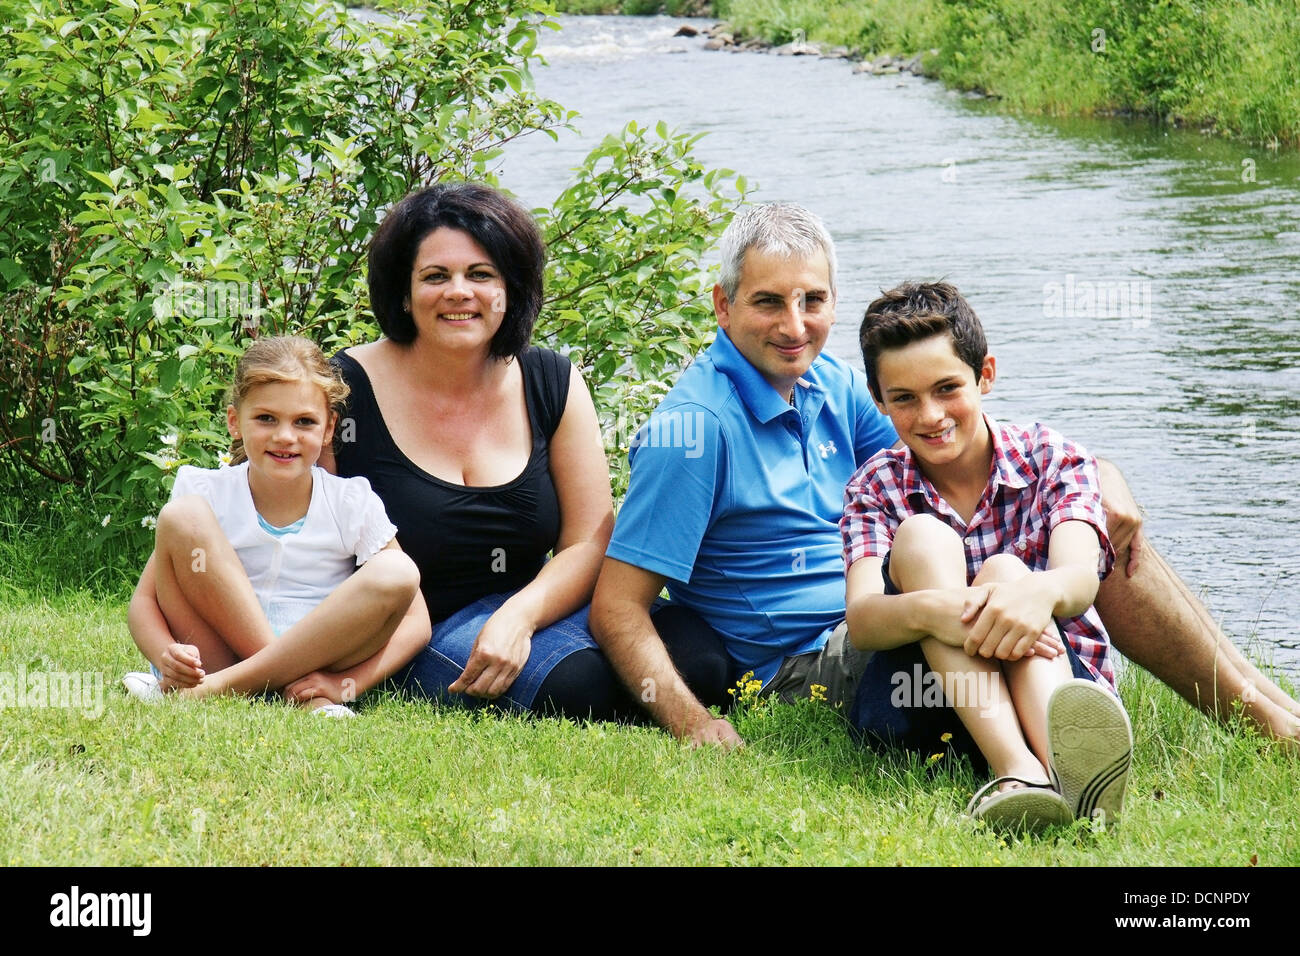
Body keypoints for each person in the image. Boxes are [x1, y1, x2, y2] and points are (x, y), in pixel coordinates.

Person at [590, 200, 1300, 750]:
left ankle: (1268, 707)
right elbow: (618, 606)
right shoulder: (694, 432)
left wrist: (1099, 475)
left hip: (895, 600)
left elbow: (955, 444)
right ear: (722, 305)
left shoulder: (830, 384)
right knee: (1067, 547)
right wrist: (693, 724)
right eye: (768, 302)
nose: (794, 324)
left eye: (812, 300)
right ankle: (1254, 722)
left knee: (1088, 527)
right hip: (816, 661)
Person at [323, 182, 646, 718]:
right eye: (435, 276)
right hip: (418, 629)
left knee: (699, 654)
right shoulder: (342, 389)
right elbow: (289, 530)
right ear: (403, 293)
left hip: (535, 609)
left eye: (480, 275)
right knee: (579, 684)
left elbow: (588, 541)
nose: (458, 292)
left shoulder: (552, 380)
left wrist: (519, 616)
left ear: (510, 291)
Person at [841, 281, 1132, 831]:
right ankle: (1022, 771)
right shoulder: (875, 487)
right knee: (924, 537)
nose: (930, 415)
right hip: (923, 701)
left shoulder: (1053, 457)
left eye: (947, 387)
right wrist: (939, 611)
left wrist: (1029, 593)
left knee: (1006, 570)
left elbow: (1078, 577)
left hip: (1049, 684)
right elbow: (863, 620)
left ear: (986, 375)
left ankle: (1064, 769)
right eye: (903, 398)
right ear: (878, 401)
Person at [124, 335, 428, 715]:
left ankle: (220, 691)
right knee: (182, 516)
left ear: (329, 428)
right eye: (266, 418)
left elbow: (417, 622)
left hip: (314, 662)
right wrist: (164, 653)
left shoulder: (350, 502)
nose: (285, 437)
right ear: (235, 422)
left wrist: (342, 685)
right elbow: (144, 601)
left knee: (397, 571)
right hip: (216, 656)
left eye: (304, 422)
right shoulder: (204, 491)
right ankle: (251, 686)